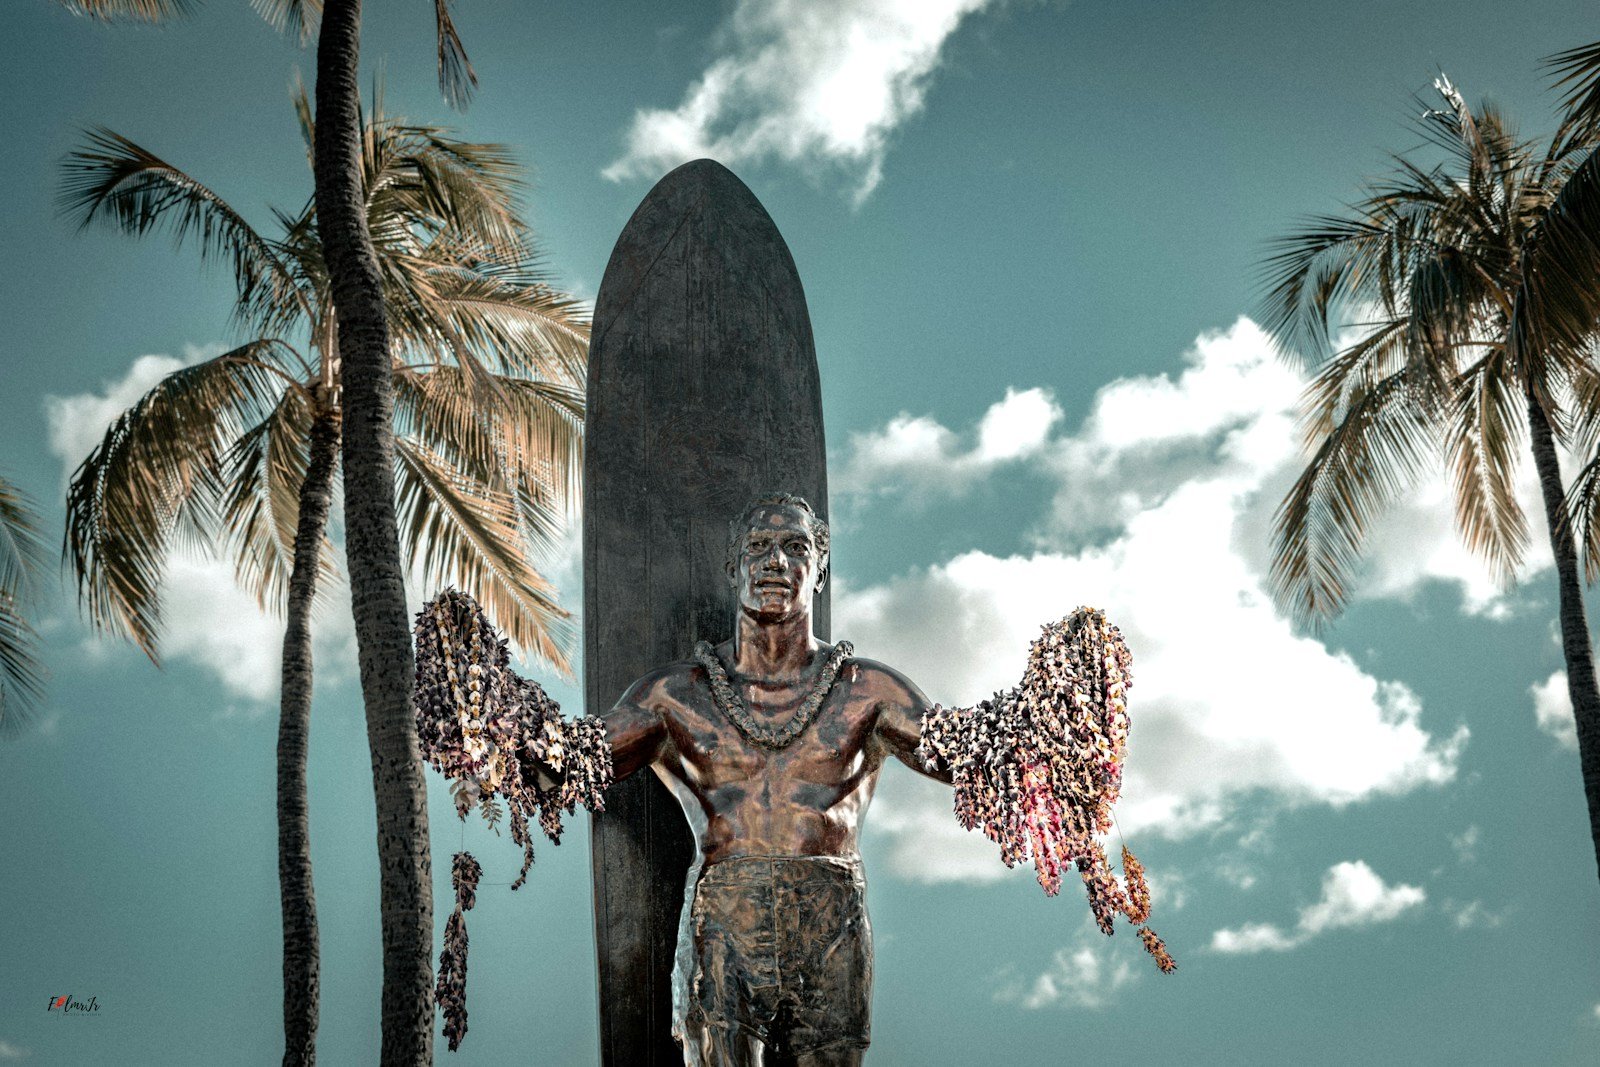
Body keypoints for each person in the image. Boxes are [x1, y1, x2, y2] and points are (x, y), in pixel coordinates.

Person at [593, 492, 950, 1067]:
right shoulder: (675, 697)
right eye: (758, 547)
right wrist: (485, 725)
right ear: (732, 566)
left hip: (831, 924)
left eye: (795, 547)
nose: (775, 562)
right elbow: (568, 760)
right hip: (727, 920)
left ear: (820, 569)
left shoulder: (867, 692)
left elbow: (964, 756)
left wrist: (1060, 721)